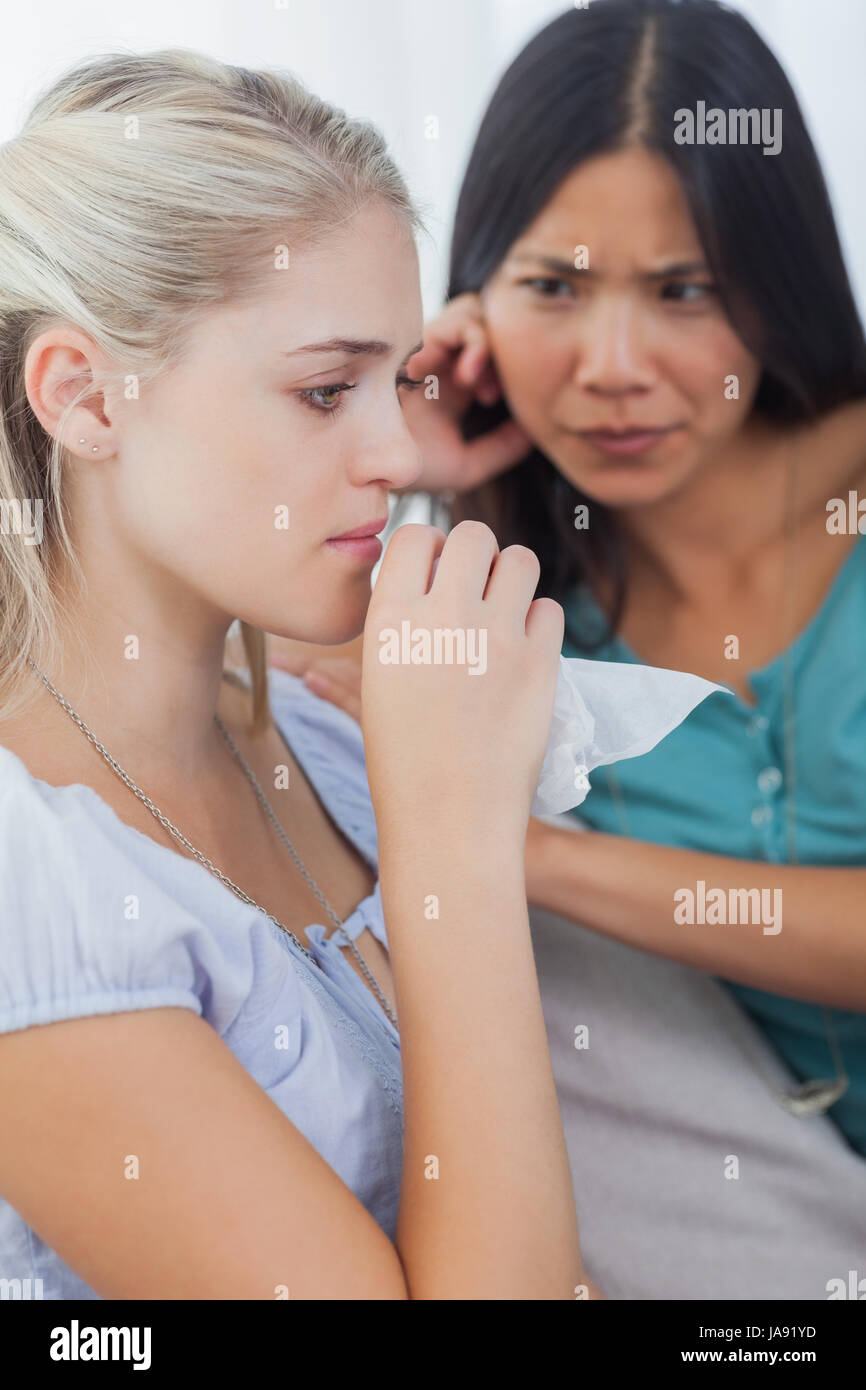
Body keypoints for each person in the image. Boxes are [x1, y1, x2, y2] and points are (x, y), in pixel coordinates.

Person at [270, 0, 866, 1297]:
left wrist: (519, 850)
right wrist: (395, 450)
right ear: (477, 288)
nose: (610, 366)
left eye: (682, 288)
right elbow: (227, 703)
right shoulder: (502, 576)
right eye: (552, 286)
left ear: (776, 271)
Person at [0, 49, 601, 1300]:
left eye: (404, 380)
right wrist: (450, 845)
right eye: (327, 388)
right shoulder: (31, 891)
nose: (395, 452)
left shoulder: (322, 722)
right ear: (86, 397)